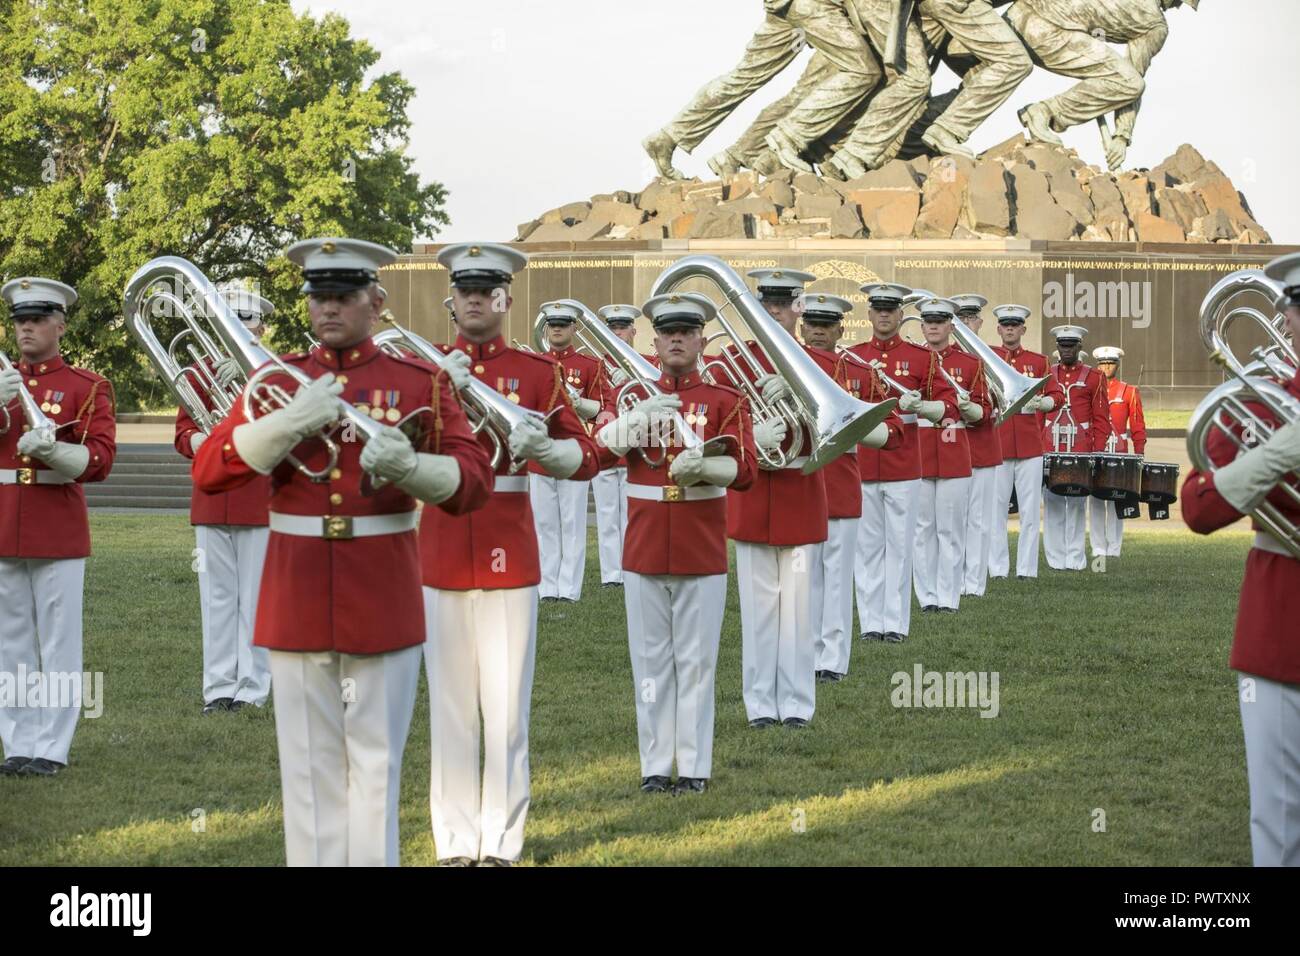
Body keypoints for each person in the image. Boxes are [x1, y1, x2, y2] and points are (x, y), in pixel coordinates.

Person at [193, 237, 493, 866]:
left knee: (377, 766)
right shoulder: (277, 379)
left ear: (376, 302)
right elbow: (210, 471)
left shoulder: (419, 380)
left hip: (380, 589)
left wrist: (413, 466)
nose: (328, 309)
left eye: (343, 296)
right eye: (317, 297)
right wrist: (287, 423)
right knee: (307, 772)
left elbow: (473, 482)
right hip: (297, 592)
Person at [421, 242, 600, 866]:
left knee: (505, 708)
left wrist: (550, 453)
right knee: (448, 708)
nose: (475, 297)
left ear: (505, 298)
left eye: (486, 288)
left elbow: (587, 456)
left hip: (508, 549)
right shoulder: (425, 368)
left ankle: (500, 842)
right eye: (465, 287)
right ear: (452, 297)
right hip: (441, 547)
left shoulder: (534, 371)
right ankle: (453, 842)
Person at [596, 292, 756, 794]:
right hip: (644, 545)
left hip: (699, 544)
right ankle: (653, 764)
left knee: (696, 662)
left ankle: (693, 766)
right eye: (668, 332)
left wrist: (706, 466)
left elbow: (747, 471)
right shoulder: (632, 395)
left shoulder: (724, 401)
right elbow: (596, 455)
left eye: (687, 332)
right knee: (648, 663)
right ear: (655, 340)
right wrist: (626, 427)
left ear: (702, 340)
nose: (677, 339)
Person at [1182, 250, 1300, 866]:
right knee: (1278, 825)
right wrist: (1279, 454)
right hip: (1281, 631)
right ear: (1288, 318)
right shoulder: (1260, 400)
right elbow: (1198, 510)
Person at [0, 278, 116, 778]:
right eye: (20, 318)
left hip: (57, 524)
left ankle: (52, 745)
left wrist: (55, 451)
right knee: (11, 642)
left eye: (38, 317)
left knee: (59, 643)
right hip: (4, 522)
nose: (26, 326)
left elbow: (101, 459)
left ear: (60, 324)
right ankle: (18, 741)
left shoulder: (86, 387)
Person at [174, 283, 273, 716]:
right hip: (212, 496)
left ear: (262, 328)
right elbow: (181, 433)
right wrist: (201, 440)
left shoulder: (274, 374)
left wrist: (253, 386)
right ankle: (217, 687)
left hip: (257, 497)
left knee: (255, 599)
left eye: (246, 319)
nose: (237, 326)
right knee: (216, 598)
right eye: (229, 317)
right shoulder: (197, 374)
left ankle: (252, 687)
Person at [643, 0, 879, 179]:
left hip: (795, 10)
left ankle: (672, 137)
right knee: (861, 71)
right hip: (814, 9)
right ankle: (769, 146)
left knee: (747, 78)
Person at [849, 282, 957, 642]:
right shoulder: (852, 357)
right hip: (863, 462)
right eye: (878, 308)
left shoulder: (922, 358)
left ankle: (893, 623)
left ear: (900, 315)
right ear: (869, 314)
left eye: (890, 309)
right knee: (866, 548)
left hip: (904, 462)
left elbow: (949, 401)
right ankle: (870, 623)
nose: (883, 315)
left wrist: (925, 407)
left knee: (899, 545)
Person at [798, 292, 888, 681]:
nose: (818, 333)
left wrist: (863, 433)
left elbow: (891, 422)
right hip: (800, 481)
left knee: (836, 578)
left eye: (826, 326)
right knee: (804, 579)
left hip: (840, 481)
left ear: (839, 329)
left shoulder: (859, 370)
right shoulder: (790, 365)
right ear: (802, 328)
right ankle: (805, 653)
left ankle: (832, 660)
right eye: (812, 325)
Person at [1005, 0, 1198, 170]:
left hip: (1013, 16)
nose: (1178, 6)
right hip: (1046, 32)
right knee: (1130, 83)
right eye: (1180, 1)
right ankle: (1044, 111)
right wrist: (1122, 136)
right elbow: (1132, 79)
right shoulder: (1155, 25)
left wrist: (1096, 32)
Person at [914, 297, 989, 613]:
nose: (933, 325)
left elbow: (986, 409)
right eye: (928, 320)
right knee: (921, 529)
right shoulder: (912, 358)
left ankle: (948, 596)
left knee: (950, 529)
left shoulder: (970, 363)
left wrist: (974, 411)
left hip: (954, 448)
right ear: (921, 325)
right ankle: (926, 596)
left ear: (950, 325)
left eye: (940, 320)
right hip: (917, 448)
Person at [530, 301, 606, 603]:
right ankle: (547, 587)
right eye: (553, 323)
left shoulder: (590, 366)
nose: (557, 328)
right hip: (541, 451)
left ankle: (569, 590)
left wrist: (582, 405)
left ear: (574, 328)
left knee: (573, 523)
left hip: (574, 451)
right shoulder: (533, 363)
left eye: (563, 323)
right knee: (545, 523)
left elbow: (602, 409)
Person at [989, 305, 1062, 580]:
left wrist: (1046, 401)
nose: (1010, 329)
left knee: (1030, 512)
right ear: (998, 329)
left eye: (1015, 324)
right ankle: (997, 568)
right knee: (996, 510)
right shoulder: (989, 358)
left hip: (1030, 444)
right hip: (1000, 440)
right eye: (1005, 324)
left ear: (1023, 329)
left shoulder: (1039, 361)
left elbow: (1057, 394)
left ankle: (1026, 570)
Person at [1042, 325, 1112, 570]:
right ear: (1057, 347)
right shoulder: (1046, 374)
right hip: (1050, 444)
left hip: (1080, 447)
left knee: (1076, 503)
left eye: (1072, 345)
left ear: (1080, 347)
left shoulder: (1095, 377)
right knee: (1052, 502)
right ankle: (1054, 559)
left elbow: (1102, 418)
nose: (1067, 350)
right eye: (1063, 345)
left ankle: (1074, 558)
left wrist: (1098, 452)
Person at [952, 294, 1004, 598]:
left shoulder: (991, 358)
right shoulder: (940, 357)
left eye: (969, 319)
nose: (964, 325)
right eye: (958, 319)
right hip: (950, 445)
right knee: (951, 520)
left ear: (979, 323)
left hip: (982, 443)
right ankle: (953, 579)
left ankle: (974, 582)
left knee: (980, 520)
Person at [591, 304, 641, 587]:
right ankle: (612, 574)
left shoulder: (648, 363)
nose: (618, 333)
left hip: (636, 448)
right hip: (604, 444)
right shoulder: (596, 366)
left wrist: (635, 379)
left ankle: (632, 567)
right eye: (613, 328)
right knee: (607, 515)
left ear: (634, 331)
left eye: (622, 327)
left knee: (633, 516)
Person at [1090, 345, 1146, 557]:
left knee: (1116, 499)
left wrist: (1139, 452)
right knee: (1096, 501)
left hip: (1120, 451)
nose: (1106, 367)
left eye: (1111, 363)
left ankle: (1114, 548)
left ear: (1117, 365)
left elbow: (1138, 425)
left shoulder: (1129, 391)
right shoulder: (1092, 389)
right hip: (1097, 450)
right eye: (1103, 363)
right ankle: (1097, 547)